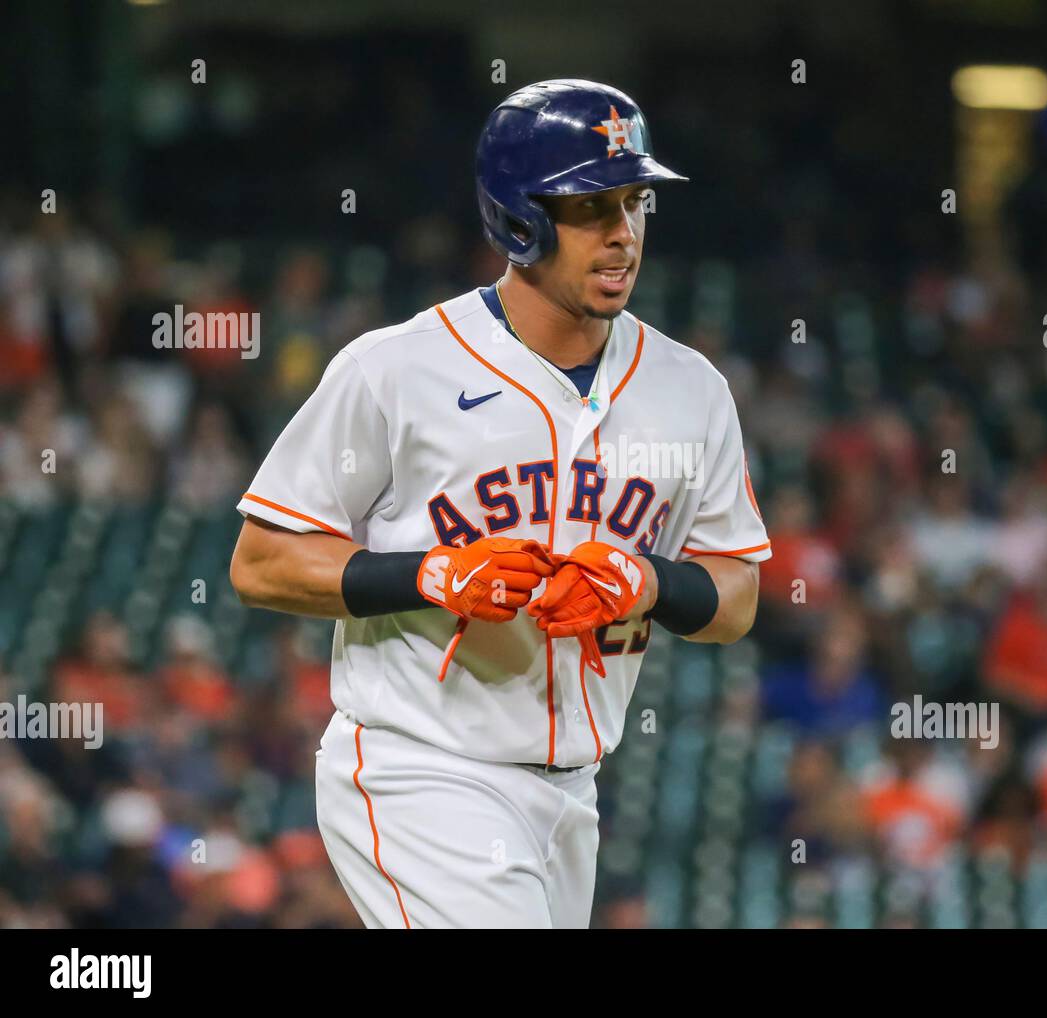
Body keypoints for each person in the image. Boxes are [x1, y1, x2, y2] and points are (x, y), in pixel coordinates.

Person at [228, 79, 770, 928]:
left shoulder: (691, 389)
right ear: (521, 218)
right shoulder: (398, 369)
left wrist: (646, 583)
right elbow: (261, 561)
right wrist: (437, 574)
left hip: (572, 793)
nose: (623, 234)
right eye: (592, 207)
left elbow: (735, 598)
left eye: (635, 202)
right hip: (423, 768)